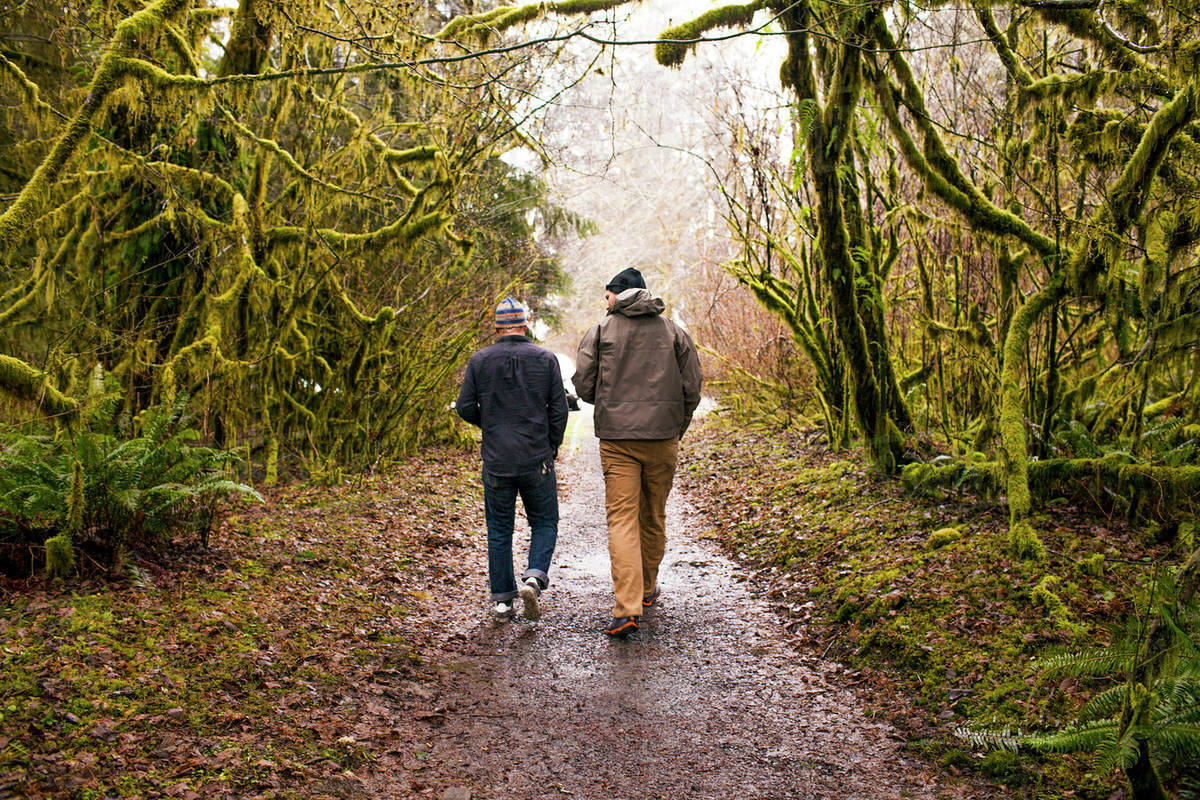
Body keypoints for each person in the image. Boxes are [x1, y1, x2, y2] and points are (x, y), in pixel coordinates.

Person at [572, 268, 703, 637]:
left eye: (607, 295)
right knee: (653, 515)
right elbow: (693, 387)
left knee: (622, 520)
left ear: (619, 294)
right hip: (663, 437)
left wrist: (611, 402)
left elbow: (584, 385)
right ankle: (647, 589)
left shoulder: (601, 330)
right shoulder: (674, 331)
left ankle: (626, 609)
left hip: (618, 440)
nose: (605, 302)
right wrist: (676, 426)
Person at [457, 297, 569, 621]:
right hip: (536, 457)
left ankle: (503, 601)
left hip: (497, 460)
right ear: (525, 325)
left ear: (496, 329)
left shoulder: (480, 360)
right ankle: (534, 577)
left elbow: (464, 407)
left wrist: (491, 424)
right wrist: (551, 445)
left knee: (499, 529)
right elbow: (559, 409)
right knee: (544, 521)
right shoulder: (545, 359)